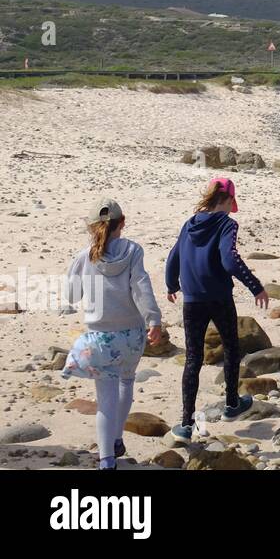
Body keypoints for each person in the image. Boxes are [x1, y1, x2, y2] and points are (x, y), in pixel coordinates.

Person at [62, 200, 165, 470]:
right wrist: (154, 320)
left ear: (91, 227)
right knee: (127, 382)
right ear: (123, 223)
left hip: (99, 338)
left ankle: (107, 460)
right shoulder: (133, 250)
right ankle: (118, 438)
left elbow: (71, 297)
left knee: (105, 398)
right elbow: (141, 287)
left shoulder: (83, 256)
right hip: (132, 335)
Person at [165, 177, 268, 440]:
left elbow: (173, 257)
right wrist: (256, 286)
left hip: (192, 301)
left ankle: (185, 425)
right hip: (220, 298)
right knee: (231, 348)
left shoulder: (189, 224)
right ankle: (231, 405)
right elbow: (230, 260)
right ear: (230, 200)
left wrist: (171, 285)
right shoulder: (227, 224)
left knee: (193, 358)